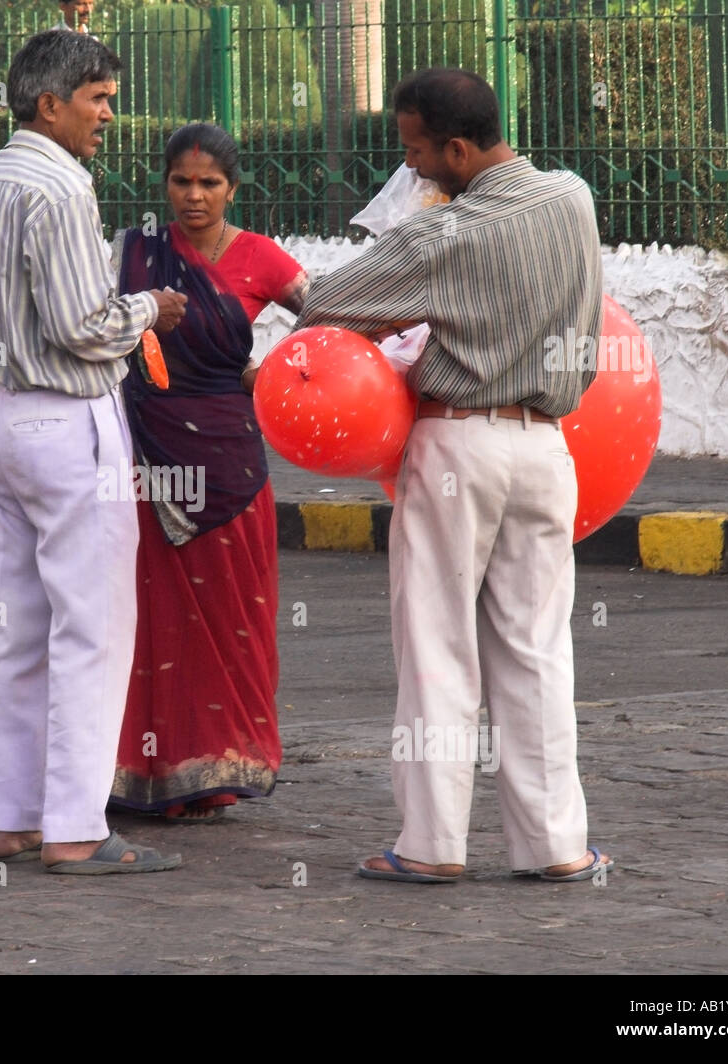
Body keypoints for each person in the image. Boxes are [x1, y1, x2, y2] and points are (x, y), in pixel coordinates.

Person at [295, 68, 613, 884]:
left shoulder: (441, 237)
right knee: (538, 651)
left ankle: (432, 845)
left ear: (459, 148)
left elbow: (325, 302)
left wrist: (397, 308)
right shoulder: (573, 198)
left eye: (417, 152)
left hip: (456, 447)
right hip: (547, 449)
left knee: (437, 647)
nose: (412, 169)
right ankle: (556, 847)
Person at [0, 30, 188, 873]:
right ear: (51, 104)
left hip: (4, 419)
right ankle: (77, 827)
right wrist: (149, 307)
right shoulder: (60, 187)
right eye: (98, 99)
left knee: (12, 626)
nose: (108, 116)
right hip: (72, 418)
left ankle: (10, 817)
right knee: (93, 630)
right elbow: (85, 326)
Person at [108, 124, 308, 822]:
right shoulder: (133, 253)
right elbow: (98, 327)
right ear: (164, 184)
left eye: (210, 184)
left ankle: (217, 768)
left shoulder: (260, 259)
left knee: (229, 617)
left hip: (228, 463)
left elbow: (332, 324)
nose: (194, 196)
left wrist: (273, 375)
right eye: (181, 182)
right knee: (150, 615)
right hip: (149, 459)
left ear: (233, 187)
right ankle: (146, 770)